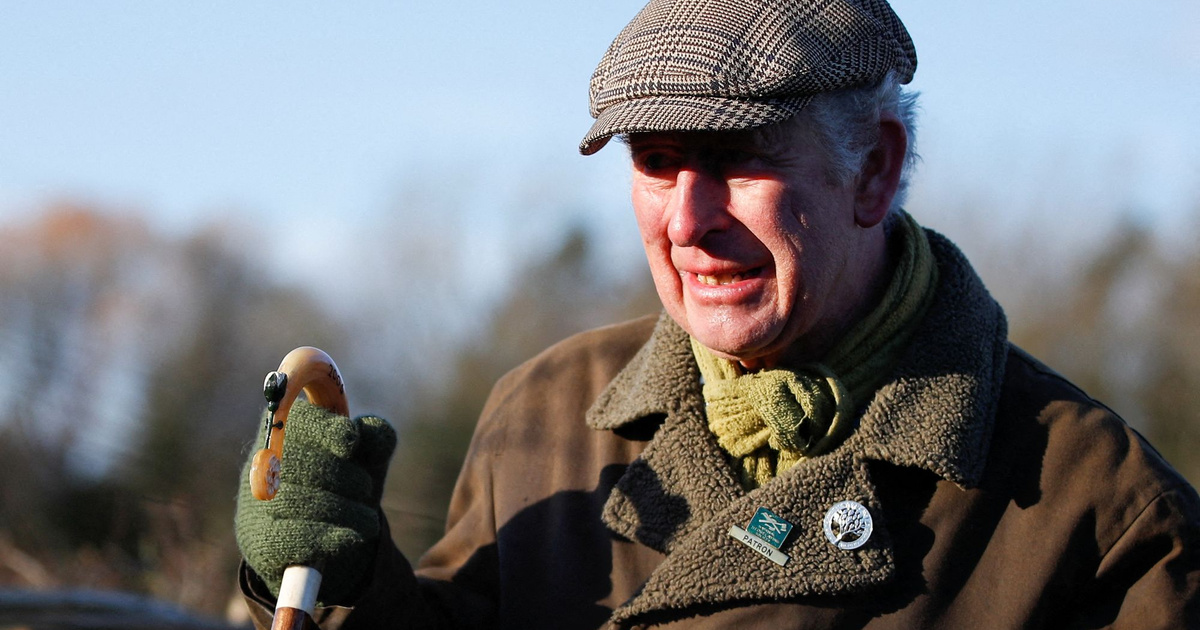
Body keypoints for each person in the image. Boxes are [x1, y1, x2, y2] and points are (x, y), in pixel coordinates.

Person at [234, 0, 1200, 627]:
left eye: (742, 158)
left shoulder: (1099, 508)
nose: (688, 223)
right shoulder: (544, 412)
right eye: (656, 164)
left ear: (875, 169)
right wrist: (345, 585)